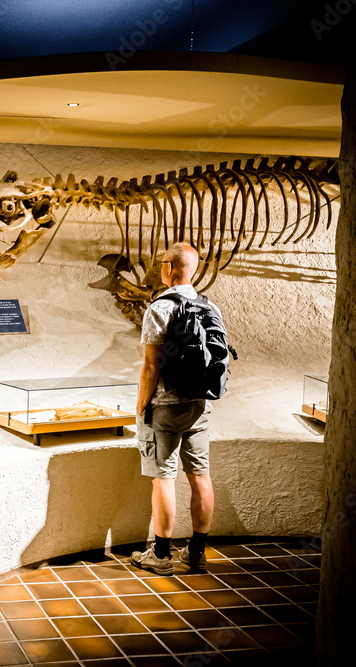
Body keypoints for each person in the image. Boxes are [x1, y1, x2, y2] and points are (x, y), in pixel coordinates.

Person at [130, 242, 220, 575]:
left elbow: (151, 366)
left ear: (169, 268)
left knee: (162, 479)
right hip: (199, 405)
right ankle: (196, 553)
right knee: (200, 476)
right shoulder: (210, 307)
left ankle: (162, 556)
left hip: (165, 408)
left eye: (161, 263)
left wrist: (142, 404)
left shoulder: (159, 307)